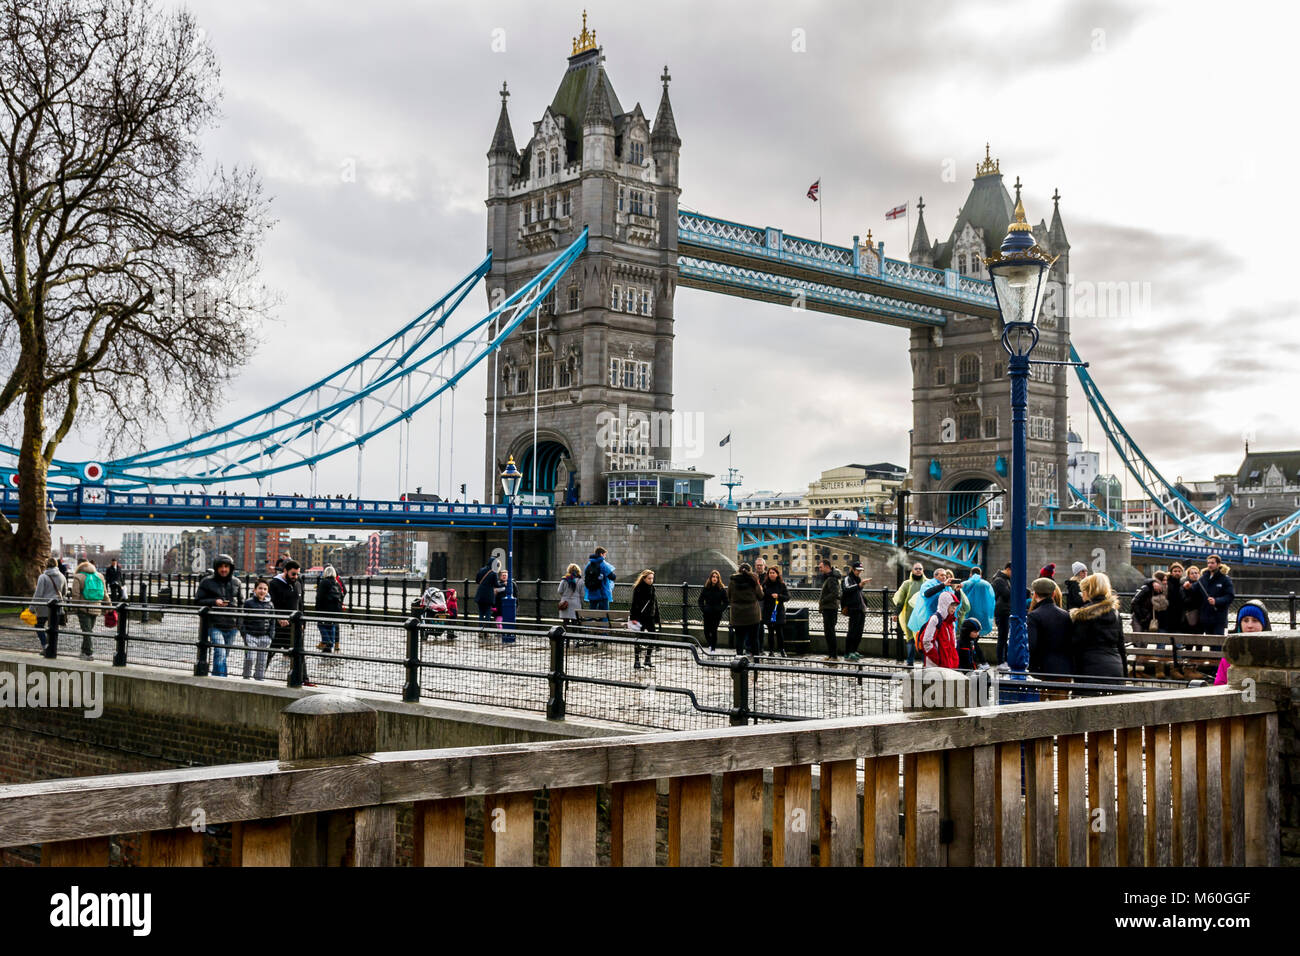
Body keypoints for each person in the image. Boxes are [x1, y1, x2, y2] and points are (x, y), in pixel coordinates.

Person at [1069, 572, 1127, 679]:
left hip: (1090, 669)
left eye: (1082, 591)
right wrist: (1125, 673)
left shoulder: (1082, 615)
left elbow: (1076, 645)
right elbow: (1121, 645)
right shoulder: (1115, 614)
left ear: (1088, 591)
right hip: (1115, 667)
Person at [195, 554, 242, 676]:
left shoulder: (237, 582)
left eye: (226, 566)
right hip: (214, 624)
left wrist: (239, 623)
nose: (224, 569)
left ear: (231, 568)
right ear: (216, 568)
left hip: (232, 625)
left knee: (224, 654)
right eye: (221, 567)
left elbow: (241, 604)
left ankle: (217, 678)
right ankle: (221, 679)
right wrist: (214, 601)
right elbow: (197, 601)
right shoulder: (207, 582)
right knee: (220, 652)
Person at [268, 560, 313, 685]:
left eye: (297, 574)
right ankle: (258, 675)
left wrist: (303, 622)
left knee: (299, 653)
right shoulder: (274, 584)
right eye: (293, 574)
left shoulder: (298, 583)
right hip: (278, 627)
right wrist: (277, 618)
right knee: (269, 652)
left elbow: (300, 605)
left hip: (294, 626)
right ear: (285, 571)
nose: (295, 577)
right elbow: (270, 605)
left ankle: (304, 679)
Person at [1027, 576, 1073, 676]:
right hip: (1064, 669)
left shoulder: (1033, 616)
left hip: (1041, 670)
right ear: (1053, 594)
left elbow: (1032, 645)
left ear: (1035, 594)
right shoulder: (1066, 615)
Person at [1217, 601, 1270, 684]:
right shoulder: (1231, 652)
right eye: (1245, 620)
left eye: (1255, 620)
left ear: (1263, 624)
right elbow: (1220, 683)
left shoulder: (1272, 652)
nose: (1250, 625)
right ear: (1239, 624)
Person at [69, 560, 111, 661]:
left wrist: (75, 608)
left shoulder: (78, 577)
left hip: (84, 608)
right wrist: (109, 606)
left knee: (86, 631)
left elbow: (75, 594)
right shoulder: (100, 576)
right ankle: (84, 651)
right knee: (88, 631)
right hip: (97, 608)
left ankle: (88, 653)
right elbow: (105, 593)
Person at [918, 578, 959, 669]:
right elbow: (926, 641)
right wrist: (937, 659)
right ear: (945, 604)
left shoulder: (951, 622)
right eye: (952, 606)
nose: (954, 609)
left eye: (955, 606)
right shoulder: (935, 619)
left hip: (947, 663)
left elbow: (953, 641)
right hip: (935, 664)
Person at [240, 579, 275, 681]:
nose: (262, 591)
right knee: (250, 658)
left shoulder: (270, 604)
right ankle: (246, 677)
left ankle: (259, 679)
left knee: (262, 660)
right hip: (251, 635)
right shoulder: (248, 603)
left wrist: (270, 635)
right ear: (254, 590)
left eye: (265, 589)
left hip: (265, 636)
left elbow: (272, 620)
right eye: (260, 588)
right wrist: (244, 634)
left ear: (267, 591)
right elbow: (242, 619)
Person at [892, 562, 927, 667]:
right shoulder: (906, 584)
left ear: (923, 570)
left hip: (923, 615)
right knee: (910, 638)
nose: (918, 570)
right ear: (912, 570)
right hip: (909, 615)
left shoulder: (927, 583)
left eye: (920, 569)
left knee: (923, 638)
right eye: (916, 568)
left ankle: (926, 662)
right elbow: (901, 600)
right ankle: (910, 662)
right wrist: (896, 613)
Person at [29, 558, 66, 650]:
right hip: (57, 607)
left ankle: (45, 645)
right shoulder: (62, 576)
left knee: (38, 626)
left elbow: (38, 594)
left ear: (46, 565)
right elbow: (64, 592)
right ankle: (52, 648)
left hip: (44, 608)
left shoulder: (43, 577)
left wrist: (32, 608)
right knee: (53, 628)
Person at [728, 563, 763, 656]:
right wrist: (758, 584)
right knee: (754, 639)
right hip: (753, 614)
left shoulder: (733, 581)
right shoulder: (753, 580)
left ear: (739, 570)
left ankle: (739, 660)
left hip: (737, 615)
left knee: (739, 639)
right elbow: (760, 596)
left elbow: (729, 596)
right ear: (750, 570)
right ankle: (756, 661)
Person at [1195, 554, 1235, 636]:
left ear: (1218, 564)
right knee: (1209, 642)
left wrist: (1216, 601)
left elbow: (1230, 596)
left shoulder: (1225, 579)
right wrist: (1187, 587)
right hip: (1205, 618)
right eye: (1208, 563)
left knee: (1217, 645)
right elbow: (1194, 589)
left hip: (1218, 618)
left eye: (1212, 563)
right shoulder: (1203, 578)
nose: (1210, 565)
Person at [629, 569, 661, 669]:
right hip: (640, 617)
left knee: (653, 637)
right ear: (644, 578)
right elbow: (634, 605)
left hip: (650, 617)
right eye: (649, 578)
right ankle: (637, 661)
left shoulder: (652, 588)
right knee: (638, 638)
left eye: (652, 578)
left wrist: (657, 617)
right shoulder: (638, 588)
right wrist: (634, 618)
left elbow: (654, 603)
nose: (651, 580)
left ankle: (647, 659)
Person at [839, 562, 868, 660]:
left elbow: (858, 593)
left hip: (860, 608)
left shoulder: (858, 579)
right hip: (853, 608)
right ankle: (848, 652)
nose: (859, 572)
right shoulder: (848, 579)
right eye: (858, 570)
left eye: (860, 570)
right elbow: (846, 589)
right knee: (852, 631)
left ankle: (854, 650)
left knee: (859, 631)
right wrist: (859, 585)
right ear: (852, 569)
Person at [697, 570, 730, 652]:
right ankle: (711, 644)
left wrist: (720, 609)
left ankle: (713, 650)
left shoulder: (721, 589)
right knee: (706, 631)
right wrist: (703, 609)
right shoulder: (706, 588)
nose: (715, 578)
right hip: (707, 613)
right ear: (710, 578)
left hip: (716, 614)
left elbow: (726, 602)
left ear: (719, 579)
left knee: (714, 631)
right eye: (713, 577)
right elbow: (700, 600)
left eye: (716, 577)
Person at [314, 565, 345, 653]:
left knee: (320, 624)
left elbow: (319, 597)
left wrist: (317, 609)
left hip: (325, 608)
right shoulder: (336, 583)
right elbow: (342, 594)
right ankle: (330, 644)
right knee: (331, 625)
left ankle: (327, 641)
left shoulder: (324, 582)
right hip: (336, 609)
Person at [763, 566, 791, 657]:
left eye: (773, 573)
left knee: (779, 632)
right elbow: (762, 596)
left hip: (778, 611)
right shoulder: (765, 584)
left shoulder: (781, 585)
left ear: (777, 574)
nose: (771, 574)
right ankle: (771, 651)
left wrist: (778, 596)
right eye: (770, 573)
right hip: (769, 611)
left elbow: (788, 597)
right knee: (770, 632)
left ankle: (782, 650)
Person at [962, 567, 996, 643]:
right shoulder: (986, 585)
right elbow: (991, 601)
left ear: (970, 574)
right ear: (980, 575)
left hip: (967, 614)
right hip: (981, 615)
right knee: (976, 635)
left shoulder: (964, 584)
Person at [817, 559, 842, 659]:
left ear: (827, 567)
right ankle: (831, 654)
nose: (820, 569)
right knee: (829, 632)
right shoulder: (829, 577)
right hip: (829, 608)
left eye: (821, 567)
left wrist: (823, 600)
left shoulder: (831, 579)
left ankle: (833, 655)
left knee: (830, 633)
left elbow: (834, 593)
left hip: (830, 608)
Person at [583, 547, 616, 612]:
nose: (605, 557)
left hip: (592, 593)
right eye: (604, 555)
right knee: (604, 615)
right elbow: (612, 577)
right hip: (602, 594)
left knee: (592, 614)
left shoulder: (588, 565)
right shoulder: (603, 564)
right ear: (601, 554)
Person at [992, 562, 1013, 664]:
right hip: (1002, 612)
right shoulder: (999, 580)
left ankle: (1004, 660)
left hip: (1005, 611)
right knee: (1002, 638)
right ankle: (1001, 661)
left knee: (1004, 638)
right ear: (1008, 569)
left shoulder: (1005, 580)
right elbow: (1006, 594)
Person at [1157, 562, 1185, 633]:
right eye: (1175, 571)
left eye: (1179, 571)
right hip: (1164, 618)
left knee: (1178, 643)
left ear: (1182, 573)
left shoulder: (1183, 584)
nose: (1177, 573)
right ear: (1171, 572)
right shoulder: (1165, 583)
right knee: (1161, 641)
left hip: (1178, 620)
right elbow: (1150, 581)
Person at [1181, 565, 1202, 633]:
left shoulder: (1202, 585)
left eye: (1196, 573)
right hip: (1189, 615)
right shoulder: (1185, 586)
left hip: (1201, 616)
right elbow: (1184, 600)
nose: (1194, 575)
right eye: (1192, 573)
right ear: (1189, 575)